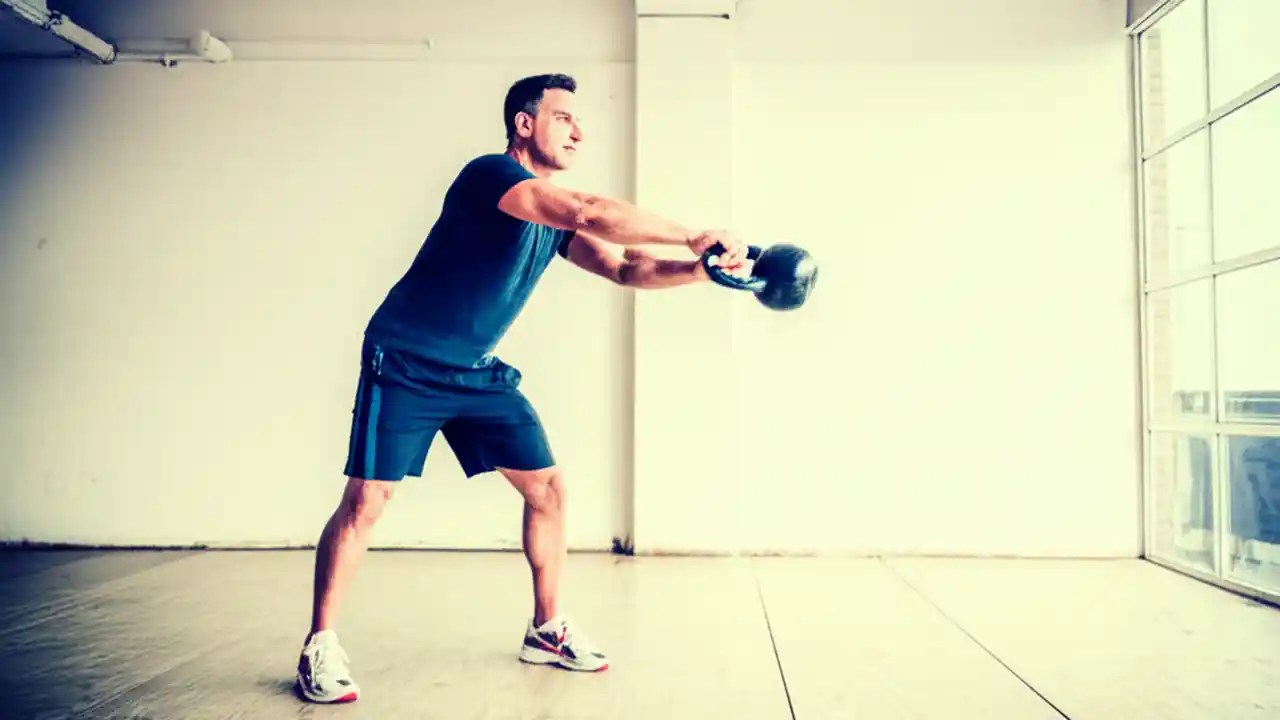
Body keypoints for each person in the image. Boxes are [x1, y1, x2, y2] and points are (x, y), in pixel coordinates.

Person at [294, 73, 749, 704]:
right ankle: (320, 644)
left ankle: (546, 628)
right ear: (524, 124)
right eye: (565, 118)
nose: (579, 131)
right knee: (368, 500)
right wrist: (692, 233)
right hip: (404, 360)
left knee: (549, 488)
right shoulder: (491, 178)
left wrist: (702, 270)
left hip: (476, 369)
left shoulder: (550, 220)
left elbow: (624, 266)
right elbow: (589, 210)